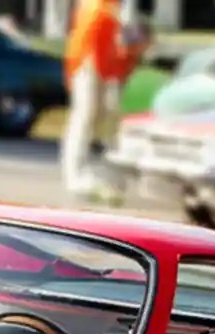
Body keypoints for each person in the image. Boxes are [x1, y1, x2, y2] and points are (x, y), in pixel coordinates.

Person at [60, 0, 149, 204]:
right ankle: (76, 174)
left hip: (93, 65)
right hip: (87, 65)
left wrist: (122, 64)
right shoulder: (99, 8)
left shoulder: (112, 9)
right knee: (85, 117)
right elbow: (95, 47)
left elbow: (120, 43)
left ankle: (100, 173)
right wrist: (115, 72)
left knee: (99, 119)